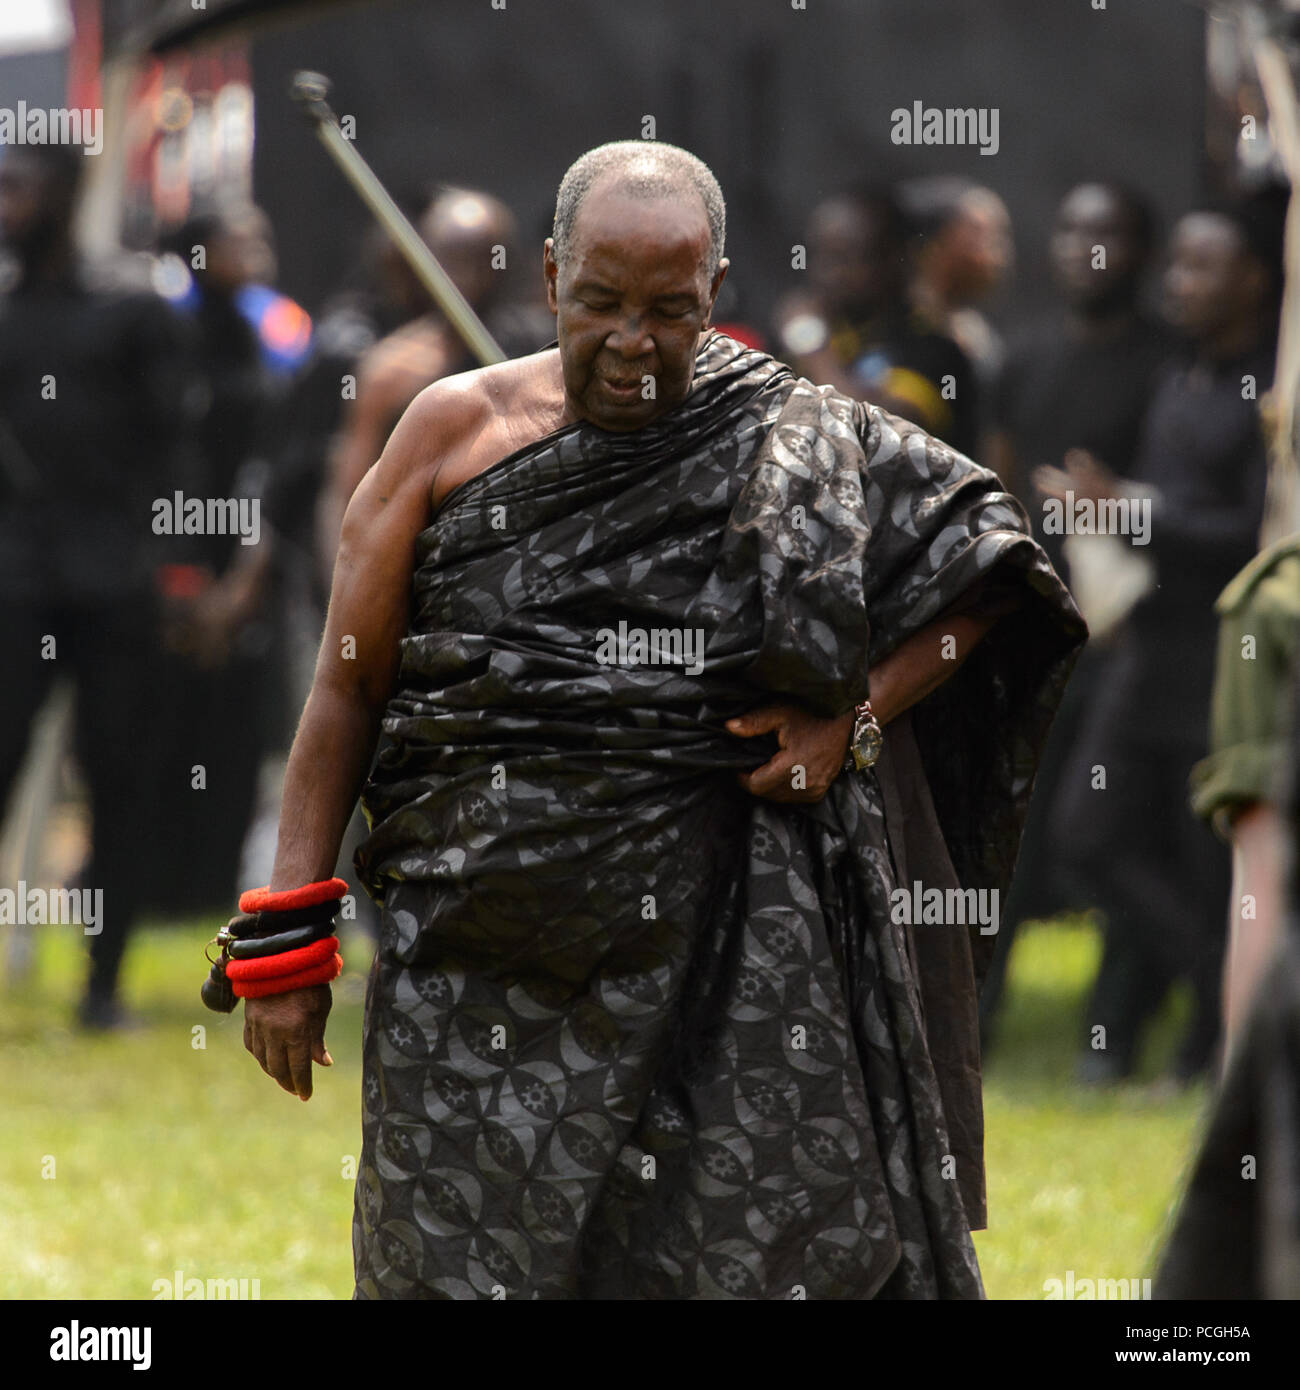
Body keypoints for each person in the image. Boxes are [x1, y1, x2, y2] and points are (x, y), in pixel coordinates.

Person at [231, 140, 1083, 1299]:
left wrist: (855, 718)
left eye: (669, 312)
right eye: (601, 305)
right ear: (548, 277)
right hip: (478, 956)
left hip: (727, 949)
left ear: (715, 292)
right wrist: (289, 934)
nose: (633, 344)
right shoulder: (448, 430)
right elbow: (346, 682)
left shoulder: (793, 433)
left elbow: (994, 566)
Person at [1042, 191, 1285, 1084]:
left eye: (1201, 265)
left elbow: (1259, 532)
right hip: (1146, 652)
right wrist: (1106, 509)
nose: (1179, 283)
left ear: (1255, 279)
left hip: (1224, 662)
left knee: (1210, 856)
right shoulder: (1177, 377)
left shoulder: (1273, 388)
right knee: (1086, 838)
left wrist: (1131, 511)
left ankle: (1226, 1035)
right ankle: (1228, 996)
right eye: (1176, 263)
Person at [978, 182, 1172, 1046]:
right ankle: (973, 1028)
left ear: (1142, 252)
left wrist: (1117, 513)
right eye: (1072, 230)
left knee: (1111, 837)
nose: (1088, 250)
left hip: (1139, 642)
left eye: (1111, 233)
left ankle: (1121, 1030)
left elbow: (1174, 503)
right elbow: (999, 487)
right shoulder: (1022, 360)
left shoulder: (1167, 362)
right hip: (1039, 637)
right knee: (1008, 836)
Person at [0, 144, 188, 1028]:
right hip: (15, 582)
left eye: (16, 186)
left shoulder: (134, 306)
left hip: (114, 581)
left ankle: (102, 985)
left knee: (120, 778)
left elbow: (176, 447)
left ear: (64, 193)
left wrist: (176, 565)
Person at [771, 188, 980, 458]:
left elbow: (871, 435)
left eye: (846, 258)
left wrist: (810, 343)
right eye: (820, 256)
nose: (829, 274)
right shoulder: (815, 335)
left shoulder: (935, 350)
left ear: (894, 258)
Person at [898, 176, 1013, 390]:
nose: (1000, 255)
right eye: (987, 239)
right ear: (934, 247)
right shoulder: (892, 336)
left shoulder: (977, 338)